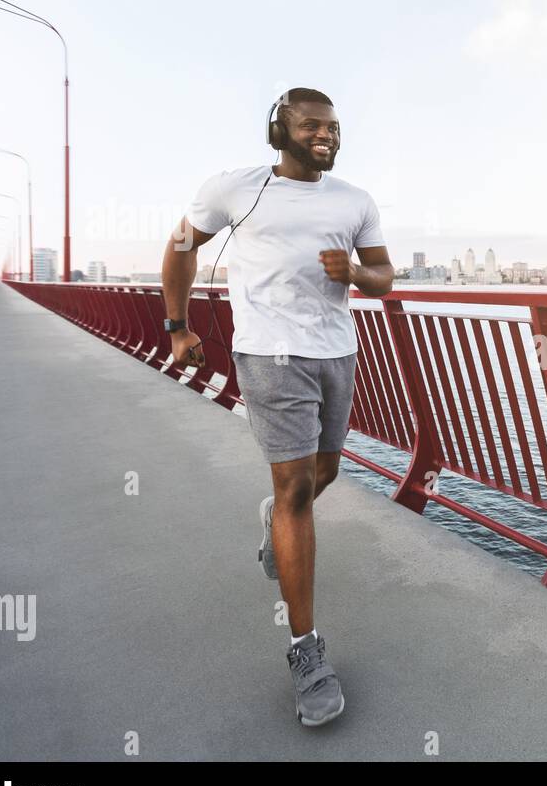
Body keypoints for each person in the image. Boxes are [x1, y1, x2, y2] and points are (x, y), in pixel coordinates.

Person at [160, 87, 394, 726]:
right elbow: (182, 246)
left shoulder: (355, 200)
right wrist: (178, 325)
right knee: (295, 489)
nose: (327, 135)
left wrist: (354, 273)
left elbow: (384, 276)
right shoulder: (234, 188)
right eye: (312, 125)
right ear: (278, 131)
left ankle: (276, 518)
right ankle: (307, 653)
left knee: (324, 475)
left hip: (335, 352)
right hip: (268, 353)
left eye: (334, 127)